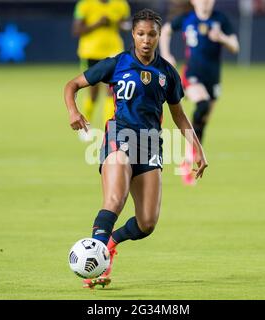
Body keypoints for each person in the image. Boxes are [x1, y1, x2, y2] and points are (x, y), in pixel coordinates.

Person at [64, 9, 208, 289]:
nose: (146, 40)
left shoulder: (167, 72)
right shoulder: (117, 64)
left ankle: (111, 243)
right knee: (115, 200)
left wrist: (197, 148)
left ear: (158, 36)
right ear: (132, 34)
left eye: (151, 34)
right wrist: (73, 111)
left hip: (151, 145)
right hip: (119, 136)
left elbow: (178, 115)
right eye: (140, 34)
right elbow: (72, 85)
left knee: (147, 223)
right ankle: (95, 261)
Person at [159, 0, 239, 185]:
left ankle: (191, 158)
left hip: (213, 77)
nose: (205, 2)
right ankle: (188, 157)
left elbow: (235, 46)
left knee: (203, 121)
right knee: (201, 105)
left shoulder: (220, 19)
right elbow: (166, 31)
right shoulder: (187, 18)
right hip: (192, 74)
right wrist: (166, 54)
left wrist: (222, 38)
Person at [72, 0, 131, 141]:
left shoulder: (121, 4)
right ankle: (85, 126)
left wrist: (117, 23)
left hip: (114, 52)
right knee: (93, 93)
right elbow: (76, 30)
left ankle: (109, 129)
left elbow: (128, 25)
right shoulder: (85, 4)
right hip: (91, 53)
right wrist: (97, 24)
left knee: (112, 91)